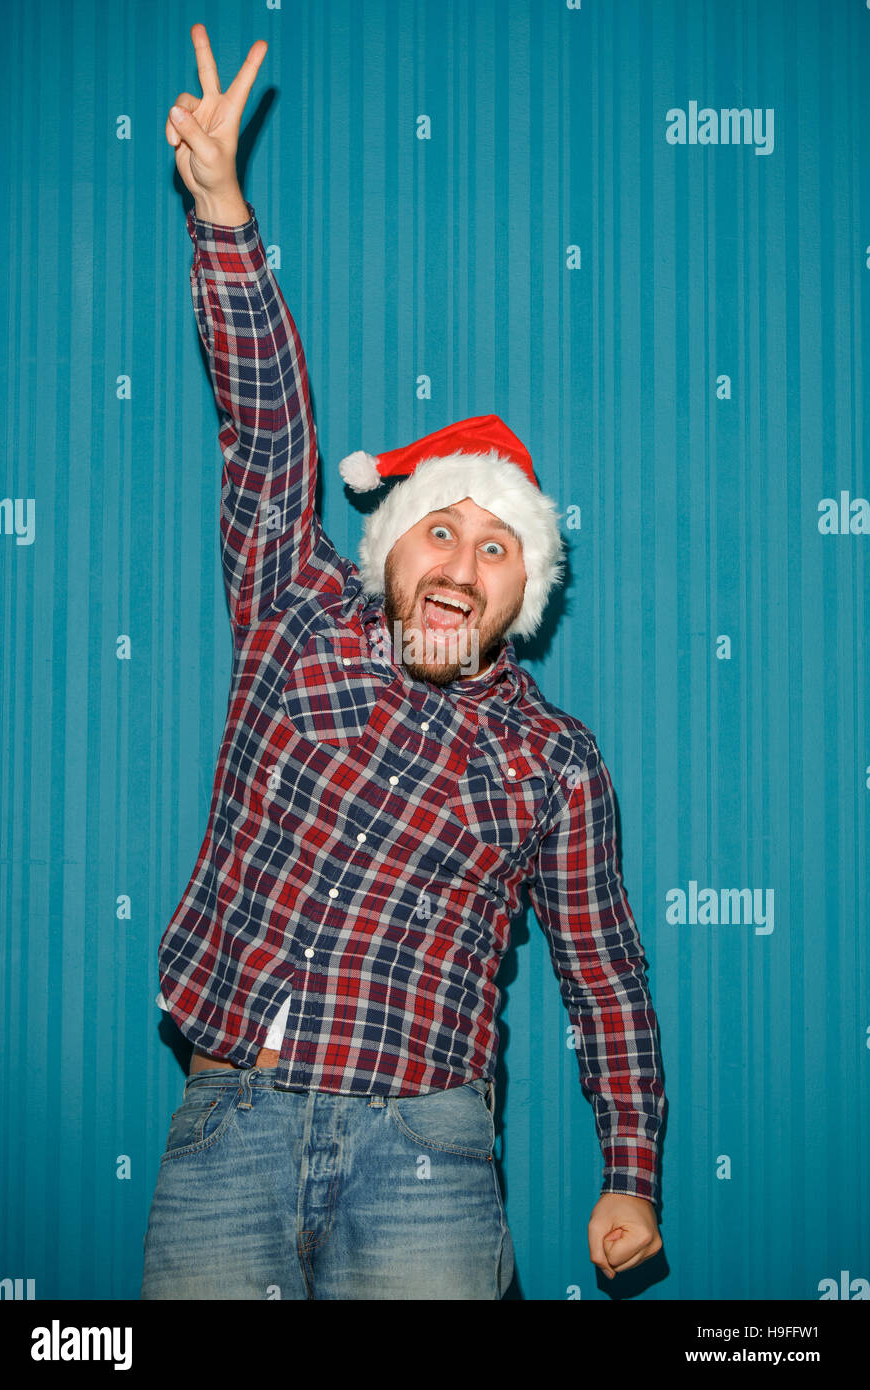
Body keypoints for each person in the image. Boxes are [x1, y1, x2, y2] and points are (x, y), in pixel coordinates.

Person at [140, 22, 666, 1301]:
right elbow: (267, 430)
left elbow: (603, 974)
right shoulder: (297, 615)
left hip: (427, 1148)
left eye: (497, 549)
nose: (461, 559)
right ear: (384, 553)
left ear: (521, 598)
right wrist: (221, 211)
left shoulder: (553, 759)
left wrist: (630, 1172)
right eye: (439, 526)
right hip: (228, 1128)